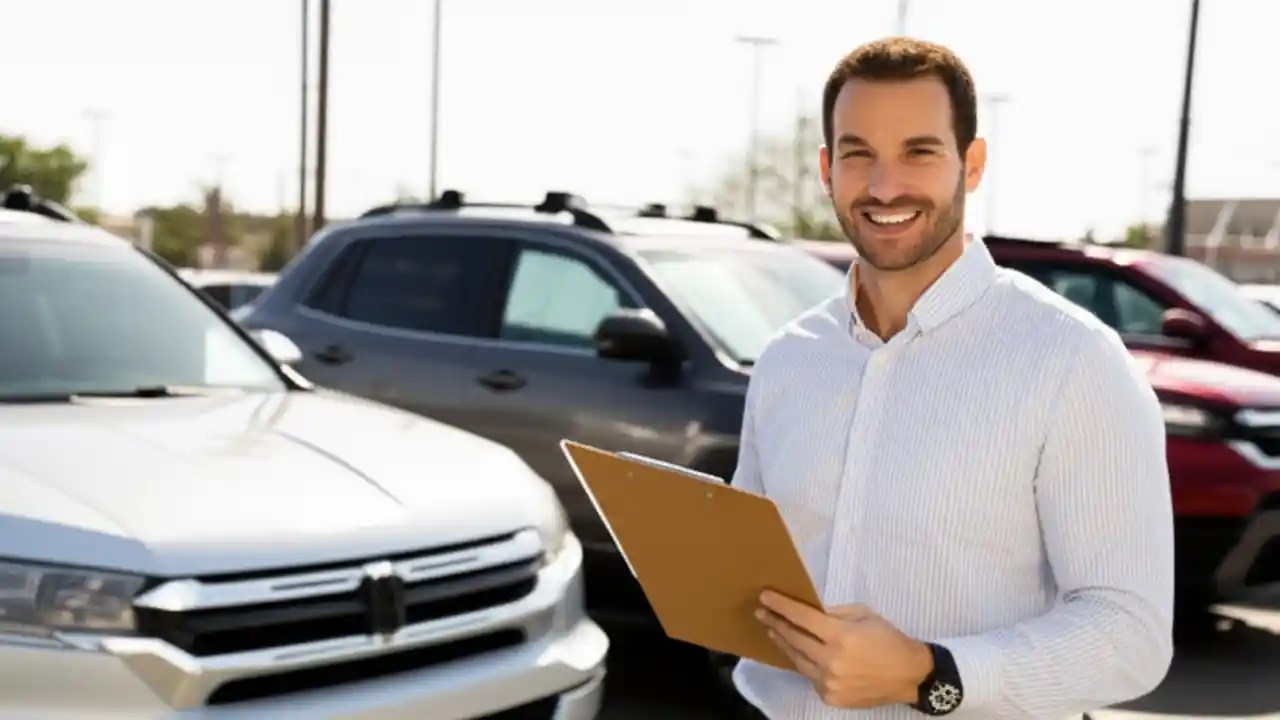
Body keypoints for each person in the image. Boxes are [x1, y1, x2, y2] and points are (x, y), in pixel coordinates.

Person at [729, 36, 1175, 719]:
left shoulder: (1073, 361)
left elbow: (1131, 635)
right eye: (858, 155)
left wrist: (928, 672)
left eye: (919, 151)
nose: (883, 187)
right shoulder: (789, 358)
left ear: (972, 164)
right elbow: (752, 582)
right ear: (826, 168)